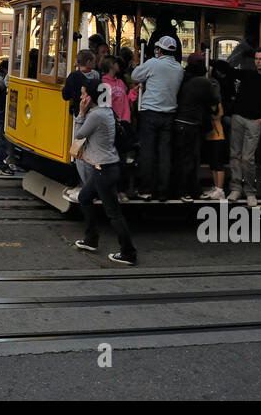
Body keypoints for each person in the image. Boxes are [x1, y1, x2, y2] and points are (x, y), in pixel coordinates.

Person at [69, 76, 137, 266]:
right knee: (84, 198)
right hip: (107, 167)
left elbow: (79, 135)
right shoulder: (107, 111)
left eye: (83, 94)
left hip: (104, 170)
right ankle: (91, 240)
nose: (81, 97)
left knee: (114, 213)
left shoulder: (96, 115)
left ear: (90, 97)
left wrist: (80, 114)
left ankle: (129, 252)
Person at [212, 47, 261, 207]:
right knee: (234, 155)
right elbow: (228, 70)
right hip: (238, 117)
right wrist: (212, 60)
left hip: (255, 122)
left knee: (248, 158)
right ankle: (236, 188)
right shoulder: (248, 74)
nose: (258, 62)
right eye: (256, 59)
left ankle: (250, 191)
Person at [130, 36, 184, 200]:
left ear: (159, 50)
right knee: (164, 154)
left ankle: (146, 189)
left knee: (148, 152)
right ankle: (163, 192)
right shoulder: (179, 69)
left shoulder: (153, 63)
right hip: (169, 115)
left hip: (150, 113)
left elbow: (135, 76)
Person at [176, 53, 220, 201]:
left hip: (180, 122)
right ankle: (190, 191)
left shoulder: (182, 79)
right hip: (194, 123)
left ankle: (186, 190)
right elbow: (214, 101)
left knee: (185, 159)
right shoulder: (205, 83)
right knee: (193, 160)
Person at [61, 49, 99, 118]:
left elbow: (65, 96)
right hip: (94, 113)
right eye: (94, 61)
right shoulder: (96, 75)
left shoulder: (73, 76)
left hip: (80, 113)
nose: (96, 63)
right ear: (88, 62)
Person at [0, 59, 14, 175]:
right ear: (6, 69)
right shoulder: (3, 83)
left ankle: (3, 164)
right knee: (3, 141)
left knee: (4, 141)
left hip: (1, 115)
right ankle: (1, 166)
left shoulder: (1, 81)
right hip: (3, 116)